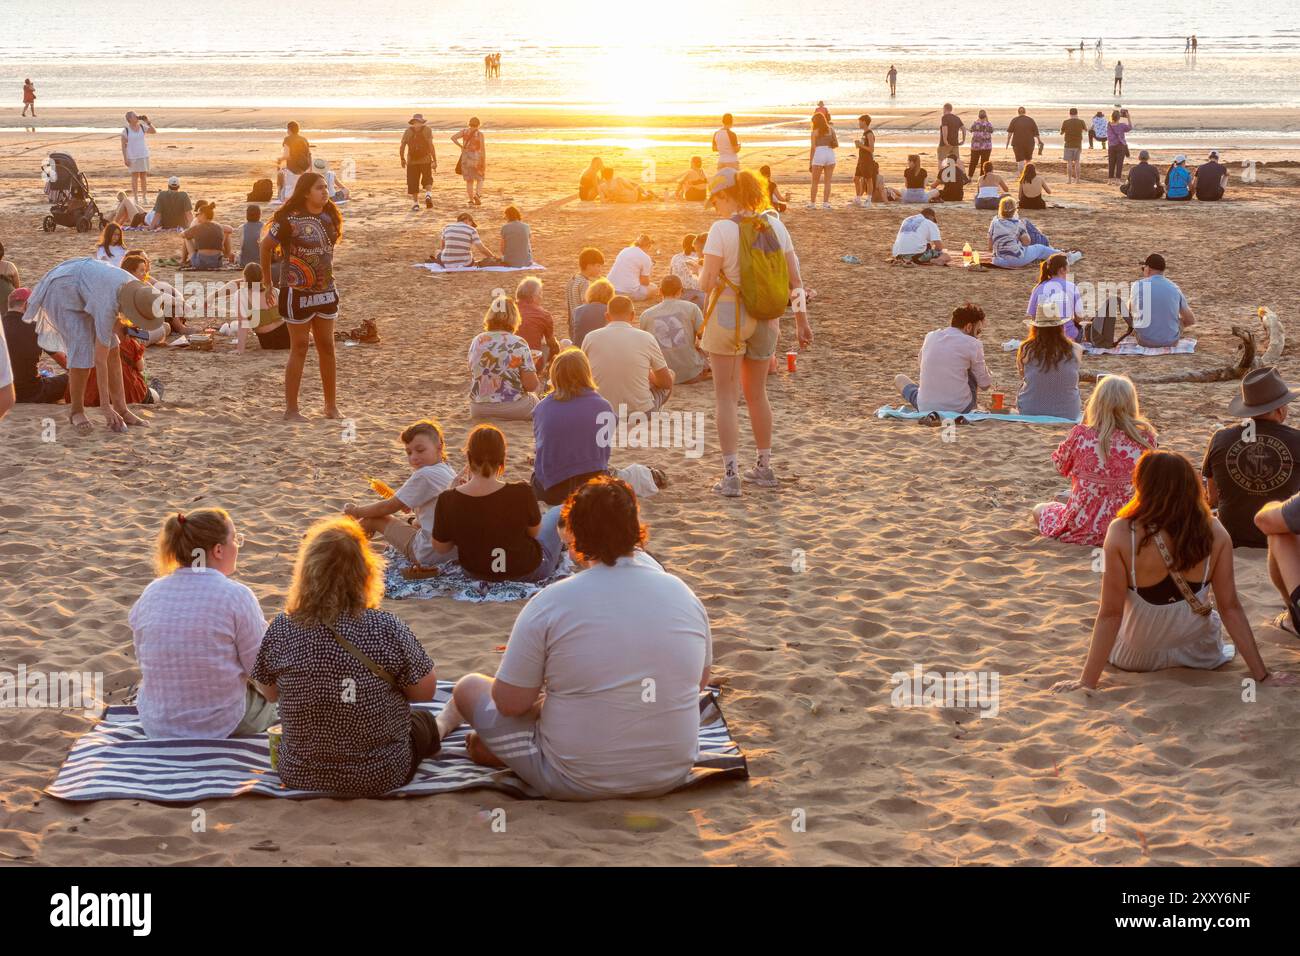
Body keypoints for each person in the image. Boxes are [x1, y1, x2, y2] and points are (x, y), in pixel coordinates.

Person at [452, 476, 711, 800]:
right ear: (635, 529)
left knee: (468, 688)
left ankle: (504, 750)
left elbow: (509, 703)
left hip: (575, 777)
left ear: (574, 534)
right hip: (670, 770)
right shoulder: (684, 595)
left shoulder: (551, 602)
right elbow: (699, 683)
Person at [252, 517, 460, 795]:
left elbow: (269, 692)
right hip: (381, 773)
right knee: (422, 720)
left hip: (300, 771)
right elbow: (425, 690)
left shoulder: (282, 627)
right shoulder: (385, 627)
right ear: (365, 572)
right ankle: (446, 723)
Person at [1051, 450, 1287, 693]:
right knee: (1215, 614)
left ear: (1141, 485)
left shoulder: (1122, 532)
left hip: (1135, 657)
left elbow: (1110, 614)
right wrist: (1263, 675)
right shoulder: (1215, 532)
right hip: (1198, 655)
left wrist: (1086, 682)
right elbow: (1231, 608)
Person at [701, 168, 811, 496]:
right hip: (767, 317)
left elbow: (706, 282)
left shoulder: (720, 229)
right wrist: (802, 321)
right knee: (757, 394)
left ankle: (731, 474)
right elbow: (796, 280)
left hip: (728, 313)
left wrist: (703, 273)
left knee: (725, 395)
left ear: (727, 196)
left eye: (716, 200)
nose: (715, 207)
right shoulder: (775, 225)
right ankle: (764, 468)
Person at [127, 508, 277, 739]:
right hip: (220, 724)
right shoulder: (235, 596)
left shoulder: (151, 592)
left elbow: (143, 658)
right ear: (218, 550)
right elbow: (262, 671)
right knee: (278, 703)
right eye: (235, 539)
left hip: (158, 723)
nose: (238, 546)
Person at [22, 257, 169, 434]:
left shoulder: (133, 288)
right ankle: (76, 411)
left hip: (84, 284)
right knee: (82, 352)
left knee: (114, 348)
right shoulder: (109, 302)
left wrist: (117, 408)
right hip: (62, 289)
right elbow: (100, 359)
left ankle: (123, 409)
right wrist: (106, 407)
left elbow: (110, 350)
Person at [429, 424, 565, 583]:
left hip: (476, 573)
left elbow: (441, 548)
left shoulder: (448, 498)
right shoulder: (522, 492)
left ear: (469, 457)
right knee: (559, 510)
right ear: (502, 459)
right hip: (528, 571)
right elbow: (534, 533)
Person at [1034, 374, 1156, 546]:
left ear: (1097, 402)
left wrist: (1084, 424)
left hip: (1083, 527)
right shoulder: (1146, 438)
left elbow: (1060, 466)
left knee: (1039, 509)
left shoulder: (1082, 434)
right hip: (1126, 528)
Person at [260, 172, 344, 421]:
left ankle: (330, 407)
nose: (325, 191)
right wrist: (267, 283)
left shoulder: (331, 216)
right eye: (320, 188)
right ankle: (292, 410)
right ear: (306, 191)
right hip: (295, 292)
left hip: (326, 291)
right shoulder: (287, 220)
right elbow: (265, 247)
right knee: (299, 348)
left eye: (326, 187)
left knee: (327, 347)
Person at [1202, 367, 1300, 550]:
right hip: (1281, 538)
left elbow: (1212, 497)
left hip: (1231, 535)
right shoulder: (1297, 440)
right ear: (1280, 410)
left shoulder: (1220, 438)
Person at [345, 418, 459, 566]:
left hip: (430, 553)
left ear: (439, 446)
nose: (414, 457)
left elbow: (387, 507)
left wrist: (356, 511)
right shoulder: (448, 470)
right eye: (409, 452)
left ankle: (339, 550)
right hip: (453, 551)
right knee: (413, 523)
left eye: (420, 450)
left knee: (373, 519)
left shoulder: (424, 475)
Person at [530, 348, 616, 505]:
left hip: (551, 491)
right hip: (592, 488)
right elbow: (604, 452)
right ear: (586, 373)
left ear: (554, 375)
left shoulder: (541, 408)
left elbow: (541, 445)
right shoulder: (603, 407)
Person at [582, 294, 674, 416]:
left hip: (600, 411)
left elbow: (582, 375)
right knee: (671, 375)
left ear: (607, 316)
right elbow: (666, 383)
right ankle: (654, 415)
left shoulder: (590, 337)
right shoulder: (646, 338)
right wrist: (648, 375)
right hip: (640, 413)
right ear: (632, 315)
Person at [894, 303, 993, 413]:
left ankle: (932, 399)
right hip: (960, 408)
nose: (977, 336)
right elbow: (985, 385)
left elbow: (921, 364)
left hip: (925, 407)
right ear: (969, 327)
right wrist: (987, 371)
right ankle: (973, 407)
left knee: (899, 378)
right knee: (972, 369)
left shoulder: (930, 336)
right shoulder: (973, 343)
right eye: (978, 331)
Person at [468, 295, 541, 420]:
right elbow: (530, 385)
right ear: (514, 318)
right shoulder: (518, 342)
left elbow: (473, 370)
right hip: (512, 407)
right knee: (536, 397)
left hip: (479, 409)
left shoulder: (478, 340)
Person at [3, 287, 68, 404]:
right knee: (75, 376)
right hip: (31, 393)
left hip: (4, 393)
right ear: (27, 305)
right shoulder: (37, 329)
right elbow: (66, 363)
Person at [640, 275, 709, 385]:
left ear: (660, 291)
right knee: (704, 352)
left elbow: (645, 346)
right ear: (680, 291)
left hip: (661, 375)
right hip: (690, 374)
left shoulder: (646, 315)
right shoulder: (692, 308)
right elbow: (705, 337)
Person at [1016, 308, 1082, 419]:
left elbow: (1023, 375)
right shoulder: (1076, 349)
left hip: (1030, 410)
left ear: (1035, 328)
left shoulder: (1026, 348)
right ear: (1060, 327)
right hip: (1068, 412)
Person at [987, 197, 1077, 268]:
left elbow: (990, 246)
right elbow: (1027, 242)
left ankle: (1055, 251)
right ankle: (1066, 256)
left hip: (998, 260)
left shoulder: (994, 222)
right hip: (1016, 260)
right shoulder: (1018, 223)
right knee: (1040, 248)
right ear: (1015, 210)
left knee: (1033, 249)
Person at [1128, 252, 1193, 348]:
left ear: (1148, 269)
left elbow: (1129, 310)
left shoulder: (1137, 285)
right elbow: (1190, 320)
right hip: (1171, 342)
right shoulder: (1174, 287)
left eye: (1143, 268)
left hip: (1143, 341)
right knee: (1175, 320)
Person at [1026, 253, 1084, 341]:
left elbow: (1034, 317)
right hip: (1067, 337)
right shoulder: (1071, 287)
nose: (1069, 269)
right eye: (1068, 266)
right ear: (1062, 269)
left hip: (1044, 337)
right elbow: (1079, 316)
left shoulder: (1038, 287)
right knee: (1080, 328)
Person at [515, 275, 559, 367]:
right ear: (533, 297)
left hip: (507, 361)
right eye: (540, 293)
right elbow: (551, 343)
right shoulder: (544, 314)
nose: (541, 297)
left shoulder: (509, 310)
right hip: (532, 363)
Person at [399, 113, 436, 211]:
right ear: (422, 121)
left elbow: (402, 146)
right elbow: (431, 145)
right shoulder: (427, 130)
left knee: (413, 182)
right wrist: (434, 160)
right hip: (425, 159)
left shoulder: (407, 131)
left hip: (412, 161)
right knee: (428, 178)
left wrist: (402, 159)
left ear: (413, 122)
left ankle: (416, 204)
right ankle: (428, 195)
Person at [565, 247, 604, 339]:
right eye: (598, 266)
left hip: (572, 323)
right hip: (583, 324)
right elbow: (586, 304)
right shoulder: (585, 283)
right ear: (589, 266)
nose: (600, 269)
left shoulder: (573, 279)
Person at [182, 201, 233, 269]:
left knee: (186, 238)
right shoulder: (218, 226)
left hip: (201, 263)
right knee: (224, 233)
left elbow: (183, 235)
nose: (196, 216)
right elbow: (230, 230)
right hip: (217, 263)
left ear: (203, 215)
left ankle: (183, 261)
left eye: (198, 214)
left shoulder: (197, 227)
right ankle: (227, 254)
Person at [606, 235, 657, 302]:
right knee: (654, 288)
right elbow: (645, 282)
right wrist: (650, 267)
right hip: (626, 292)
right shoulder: (646, 258)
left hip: (609, 289)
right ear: (648, 245)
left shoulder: (624, 250)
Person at [120, 111, 156, 205]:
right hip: (132, 157)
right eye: (134, 116)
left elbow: (153, 131)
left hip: (143, 155)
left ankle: (144, 197)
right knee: (134, 177)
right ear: (130, 119)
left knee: (143, 177)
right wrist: (125, 159)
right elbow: (123, 146)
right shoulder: (126, 131)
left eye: (136, 115)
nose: (137, 117)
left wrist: (147, 121)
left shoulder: (142, 127)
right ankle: (136, 198)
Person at [451, 117, 486, 206]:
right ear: (478, 125)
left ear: (469, 123)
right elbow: (482, 149)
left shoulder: (464, 131)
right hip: (476, 159)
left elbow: (453, 138)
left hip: (466, 159)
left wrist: (461, 146)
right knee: (480, 178)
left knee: (469, 181)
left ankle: (471, 200)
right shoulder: (480, 134)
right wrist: (484, 161)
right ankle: (477, 195)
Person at [571, 278, 613, 349]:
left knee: (565, 341)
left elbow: (575, 333)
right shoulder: (609, 311)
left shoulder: (577, 310)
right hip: (599, 348)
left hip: (579, 349)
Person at [807, 112, 838, 208]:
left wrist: (810, 163)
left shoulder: (815, 132)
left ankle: (812, 204)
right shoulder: (831, 129)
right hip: (830, 154)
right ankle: (825, 203)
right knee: (827, 182)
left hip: (819, 153)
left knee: (815, 182)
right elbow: (836, 144)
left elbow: (813, 148)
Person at [669, 233, 707, 309]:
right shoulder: (701, 258)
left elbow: (671, 275)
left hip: (679, 296)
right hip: (698, 297)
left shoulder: (675, 257)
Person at [277, 121, 312, 201]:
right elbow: (309, 155)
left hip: (293, 168)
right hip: (304, 168)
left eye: (287, 129)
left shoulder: (287, 139)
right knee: (301, 190)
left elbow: (286, 155)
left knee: (289, 190)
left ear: (289, 129)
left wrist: (279, 160)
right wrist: (310, 168)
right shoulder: (304, 139)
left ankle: (288, 208)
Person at [1005, 107, 1042, 174]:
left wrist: (1007, 142)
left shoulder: (1014, 120)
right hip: (1029, 143)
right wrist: (1039, 141)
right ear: (1025, 112)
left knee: (1020, 161)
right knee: (1028, 160)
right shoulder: (1030, 120)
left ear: (1018, 112)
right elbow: (1036, 133)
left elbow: (1010, 133)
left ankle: (1022, 176)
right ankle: (1028, 175)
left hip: (1017, 143)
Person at [853, 114, 878, 206]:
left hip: (867, 159)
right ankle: (858, 198)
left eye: (860, 121)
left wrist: (861, 145)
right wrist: (859, 145)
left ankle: (869, 200)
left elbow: (871, 149)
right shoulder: (864, 133)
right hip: (861, 159)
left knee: (868, 179)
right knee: (856, 179)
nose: (859, 123)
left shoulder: (869, 133)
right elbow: (863, 147)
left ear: (864, 122)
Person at [1060, 108, 1088, 183]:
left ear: (1069, 113)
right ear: (1077, 113)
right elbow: (1086, 130)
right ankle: (1077, 180)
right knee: (1077, 162)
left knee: (1069, 163)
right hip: (1078, 144)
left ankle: (1069, 180)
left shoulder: (1066, 122)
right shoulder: (1081, 122)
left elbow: (1061, 132)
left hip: (1068, 144)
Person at [1106, 109, 1133, 182]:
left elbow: (1112, 119)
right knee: (1119, 163)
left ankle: (1110, 180)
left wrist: (1117, 115)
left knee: (1111, 163)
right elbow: (1130, 127)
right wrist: (1128, 118)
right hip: (1120, 146)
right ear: (1119, 117)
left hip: (1111, 146)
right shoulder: (1122, 125)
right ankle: (1118, 180)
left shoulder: (1108, 125)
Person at [966, 109, 994, 178]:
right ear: (985, 116)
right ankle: (982, 177)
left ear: (978, 116)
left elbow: (970, 130)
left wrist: (977, 121)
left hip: (976, 147)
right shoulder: (989, 124)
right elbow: (992, 131)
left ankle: (970, 177)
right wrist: (987, 121)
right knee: (984, 162)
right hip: (986, 147)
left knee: (973, 162)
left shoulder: (975, 124)